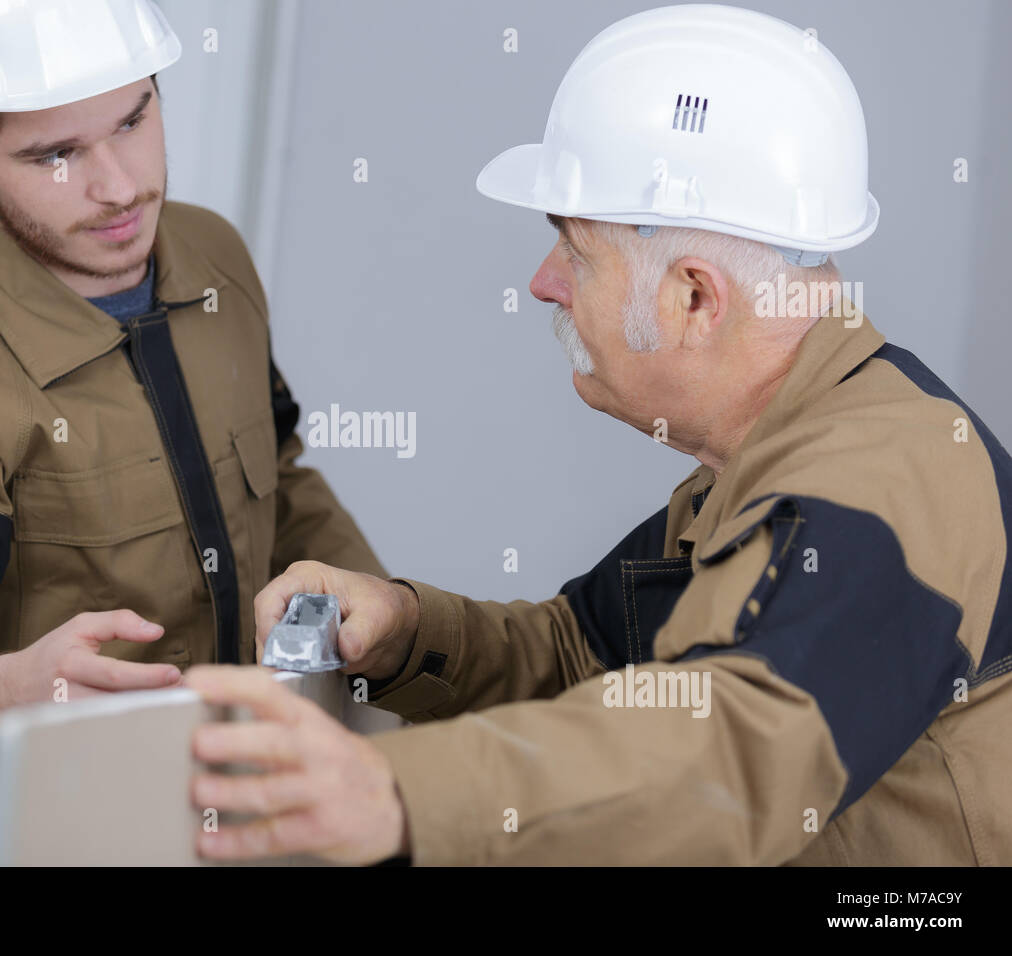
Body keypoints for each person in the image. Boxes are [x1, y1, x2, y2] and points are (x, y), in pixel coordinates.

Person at [184, 4, 1012, 866]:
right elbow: (592, 657)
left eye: (574, 252)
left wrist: (394, 794)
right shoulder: (767, 457)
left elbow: (719, 752)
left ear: (695, 297)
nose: (543, 284)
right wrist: (405, 629)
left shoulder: (880, 482)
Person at [0, 0, 384, 866]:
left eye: (133, 120)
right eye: (56, 154)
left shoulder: (215, 262)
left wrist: (380, 625)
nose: (120, 186)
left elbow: (279, 476)